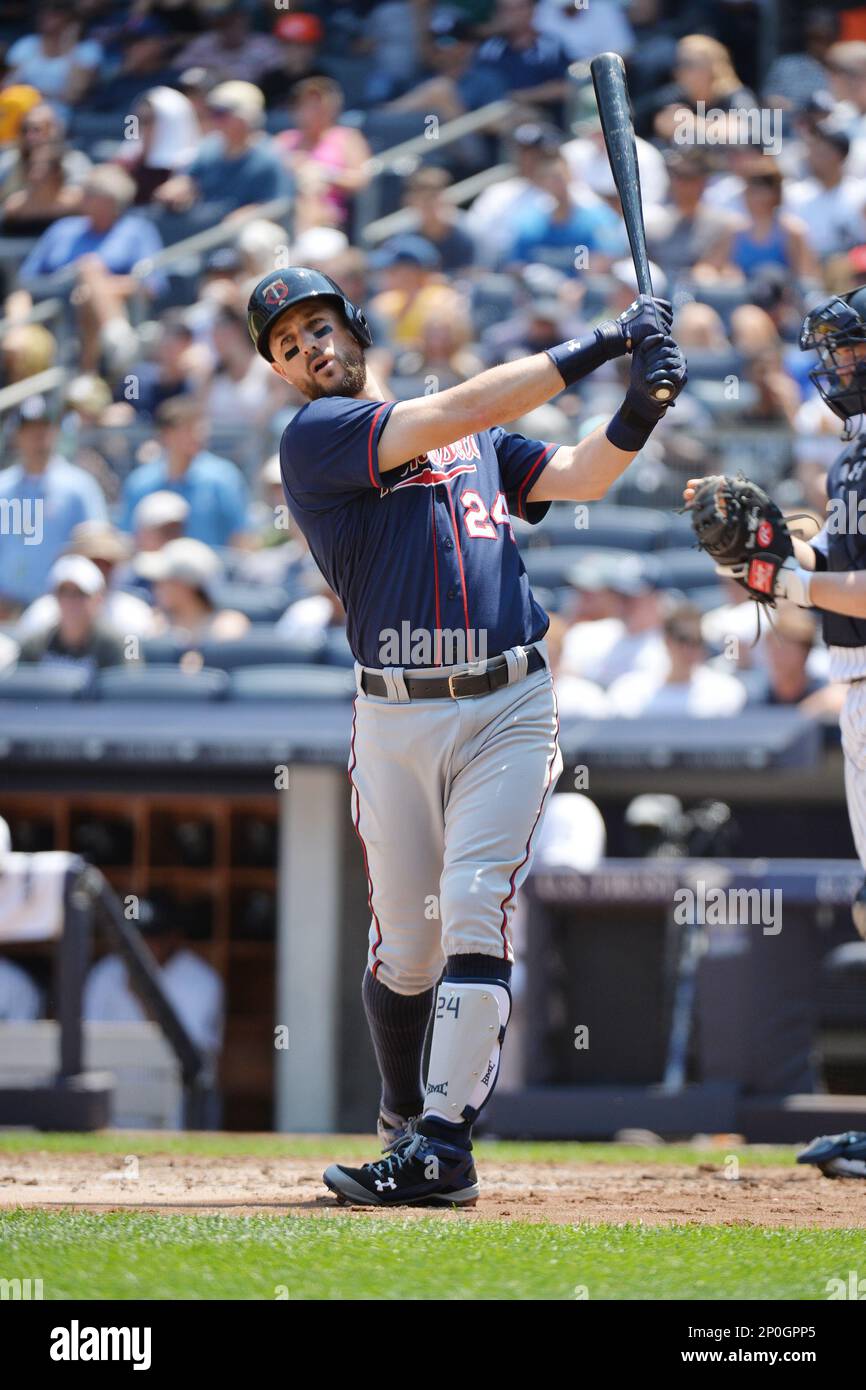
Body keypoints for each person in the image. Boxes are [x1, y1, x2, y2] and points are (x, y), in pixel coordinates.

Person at [244, 261, 685, 1205]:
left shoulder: (473, 433)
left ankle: (445, 1149)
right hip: (395, 711)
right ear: (282, 373)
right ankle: (405, 1122)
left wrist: (641, 405)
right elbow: (444, 417)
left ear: (355, 328)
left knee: (476, 902)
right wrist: (607, 341)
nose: (309, 349)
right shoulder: (318, 437)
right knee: (405, 946)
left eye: (319, 328)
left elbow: (580, 476)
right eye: (289, 346)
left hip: (508, 702)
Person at [687, 284, 866, 1180]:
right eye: (835, 351)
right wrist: (773, 554)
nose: (838, 366)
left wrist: (784, 580)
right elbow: (839, 570)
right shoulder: (852, 450)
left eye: (853, 350)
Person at [0, 395, 108, 616]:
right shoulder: (3, 486)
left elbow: (98, 547)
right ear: (17, 436)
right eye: (31, 431)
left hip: (58, 609)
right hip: (5, 607)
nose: (39, 438)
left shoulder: (79, 486)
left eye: (45, 429)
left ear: (56, 433)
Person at [119, 396, 250, 548]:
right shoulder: (140, 482)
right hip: (154, 569)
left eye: (201, 428)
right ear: (166, 434)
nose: (198, 436)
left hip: (212, 569)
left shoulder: (224, 477)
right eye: (188, 429)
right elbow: (129, 536)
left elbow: (241, 535)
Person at [154, 81, 291, 217]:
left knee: (254, 236)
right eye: (213, 113)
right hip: (208, 223)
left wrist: (251, 213)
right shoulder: (208, 148)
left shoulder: (270, 155)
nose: (216, 119)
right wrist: (179, 186)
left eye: (222, 113)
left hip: (242, 229)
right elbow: (187, 181)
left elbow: (279, 203)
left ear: (247, 116)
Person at [607, 600, 747, 718]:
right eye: (682, 639)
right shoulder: (629, 691)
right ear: (667, 641)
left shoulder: (725, 691)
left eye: (697, 641)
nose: (689, 649)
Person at [275, 77, 371, 232]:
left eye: (318, 107)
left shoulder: (347, 138)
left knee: (312, 179)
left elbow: (361, 179)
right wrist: (291, 166)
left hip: (328, 218)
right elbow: (268, 174)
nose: (312, 113)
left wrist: (325, 174)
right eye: (306, 106)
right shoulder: (284, 140)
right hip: (284, 210)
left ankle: (304, 237)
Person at [17, 554, 130, 673]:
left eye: (80, 593)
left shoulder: (116, 645)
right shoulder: (35, 644)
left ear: (98, 599)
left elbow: (126, 687)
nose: (70, 602)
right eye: (63, 592)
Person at [2, 4, 102, 120]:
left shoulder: (87, 49)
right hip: (22, 110)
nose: (47, 18)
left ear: (72, 21)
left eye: (56, 14)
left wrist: (69, 45)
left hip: (59, 115)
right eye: (45, 13)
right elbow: (8, 87)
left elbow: (74, 95)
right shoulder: (27, 44)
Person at [112, 86, 200, 204]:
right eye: (137, 119)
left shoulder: (194, 166)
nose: (140, 127)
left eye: (147, 120)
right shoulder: (128, 162)